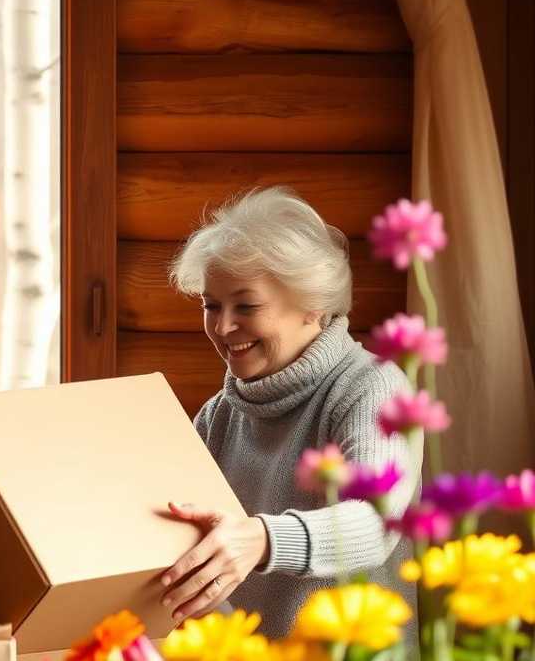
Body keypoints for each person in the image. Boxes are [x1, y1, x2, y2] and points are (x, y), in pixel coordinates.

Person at [159, 187, 421, 638]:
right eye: (211, 305)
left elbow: (376, 523)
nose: (223, 326)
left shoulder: (373, 387)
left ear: (312, 305)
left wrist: (263, 539)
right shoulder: (217, 415)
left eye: (247, 306)